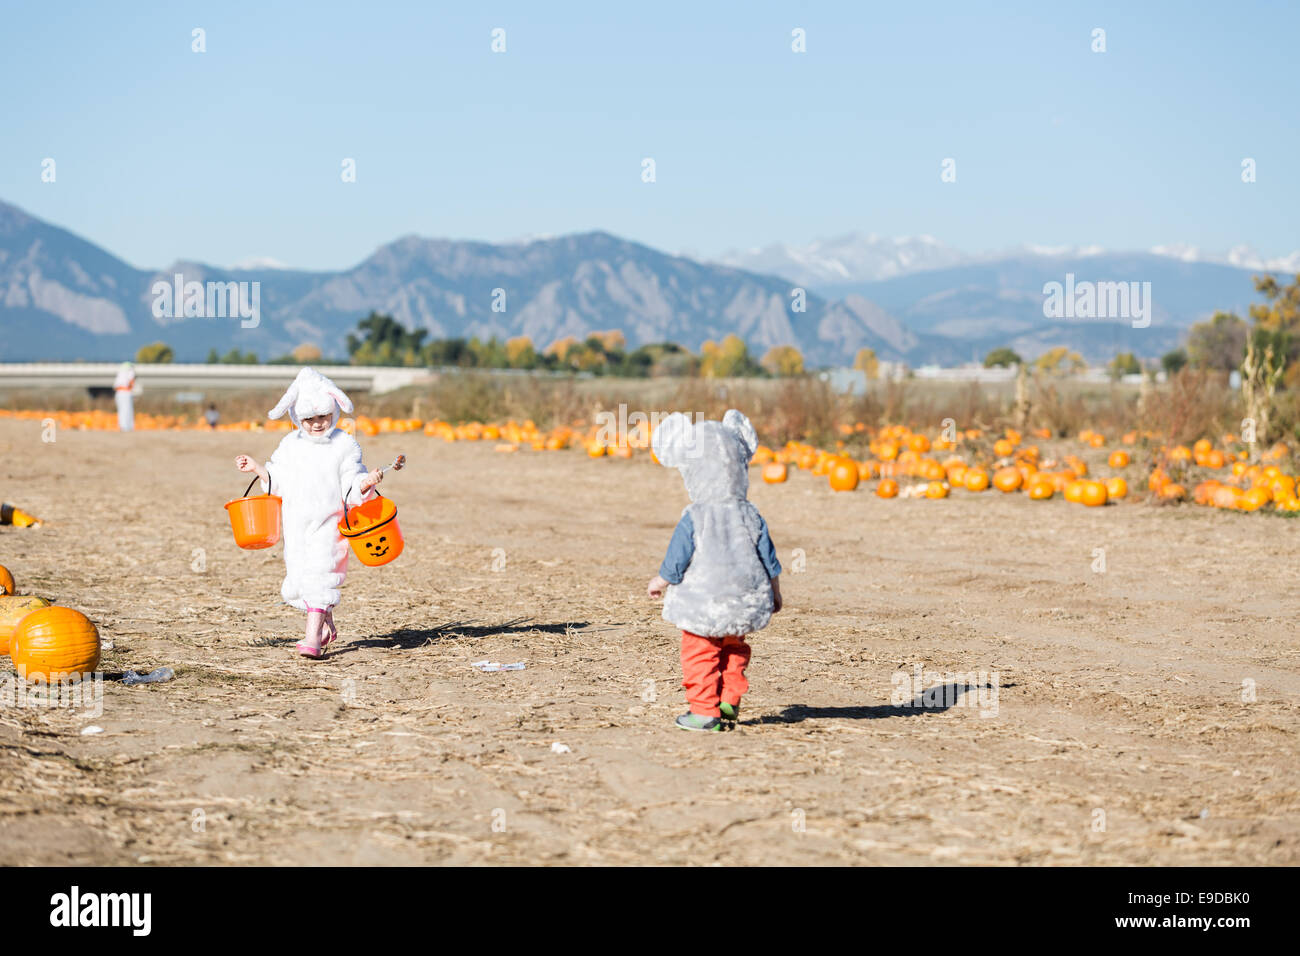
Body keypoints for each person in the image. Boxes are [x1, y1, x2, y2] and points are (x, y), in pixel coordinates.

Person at [647, 409, 783, 732]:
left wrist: (661, 581)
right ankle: (729, 700)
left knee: (700, 651)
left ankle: (704, 711)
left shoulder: (695, 515)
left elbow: (677, 559)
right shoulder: (750, 514)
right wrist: (775, 593)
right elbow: (769, 559)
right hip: (741, 601)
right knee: (733, 647)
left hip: (703, 605)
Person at [234, 368, 384, 658]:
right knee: (301, 578)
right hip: (296, 525)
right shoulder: (290, 446)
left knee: (320, 575)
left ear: (334, 413)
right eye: (309, 419)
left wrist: (365, 483)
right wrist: (255, 468)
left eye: (323, 417)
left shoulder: (344, 445)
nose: (317, 424)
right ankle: (325, 623)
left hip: (329, 524)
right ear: (297, 418)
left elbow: (351, 482)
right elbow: (276, 480)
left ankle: (312, 638)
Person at [113, 362, 136, 432]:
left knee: (122, 410)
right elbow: (131, 382)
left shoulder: (120, 373)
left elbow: (115, 386)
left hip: (119, 393)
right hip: (126, 392)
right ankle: (127, 426)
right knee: (127, 410)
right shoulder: (130, 371)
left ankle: (123, 426)